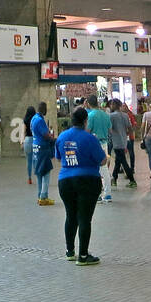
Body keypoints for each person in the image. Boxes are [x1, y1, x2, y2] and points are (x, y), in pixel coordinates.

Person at [56, 107, 107, 265]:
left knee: (70, 216)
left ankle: (70, 251)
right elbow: (102, 160)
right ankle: (83, 256)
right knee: (84, 218)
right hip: (87, 180)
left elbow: (59, 158)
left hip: (65, 181)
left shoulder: (62, 136)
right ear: (86, 121)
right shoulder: (89, 138)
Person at [84, 96, 113, 201]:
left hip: (94, 144)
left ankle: (98, 194)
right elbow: (110, 130)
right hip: (104, 143)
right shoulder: (105, 115)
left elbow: (87, 131)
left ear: (88, 104)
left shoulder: (90, 115)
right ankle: (108, 194)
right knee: (104, 169)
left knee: (95, 169)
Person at [30, 101, 56, 205]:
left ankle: (40, 195)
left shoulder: (33, 118)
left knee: (39, 172)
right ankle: (44, 196)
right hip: (42, 148)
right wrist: (53, 138)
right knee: (46, 172)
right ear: (44, 109)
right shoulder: (40, 120)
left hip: (35, 147)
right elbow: (45, 135)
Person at [107, 99, 136, 189]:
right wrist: (125, 134)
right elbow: (130, 128)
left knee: (123, 161)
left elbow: (109, 129)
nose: (110, 106)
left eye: (112, 104)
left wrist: (111, 134)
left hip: (116, 141)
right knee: (118, 161)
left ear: (115, 105)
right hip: (124, 141)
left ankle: (132, 180)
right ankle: (114, 179)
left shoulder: (111, 116)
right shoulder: (125, 115)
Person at [21, 105, 37, 184]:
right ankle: (38, 176)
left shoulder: (25, 120)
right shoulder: (35, 120)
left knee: (28, 160)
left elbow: (24, 132)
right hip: (35, 140)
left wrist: (22, 142)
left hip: (27, 140)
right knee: (35, 159)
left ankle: (29, 178)